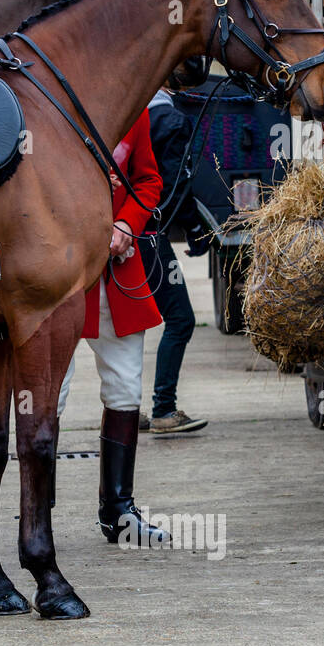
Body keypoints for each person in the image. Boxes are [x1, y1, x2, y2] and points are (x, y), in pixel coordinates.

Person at [56, 109, 170, 546]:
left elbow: (148, 180)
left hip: (119, 272)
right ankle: (36, 514)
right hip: (62, 273)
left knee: (125, 389)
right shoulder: (48, 99)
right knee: (50, 395)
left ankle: (119, 513)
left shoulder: (134, 108)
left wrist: (126, 224)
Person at [140, 88, 211, 434]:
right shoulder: (166, 119)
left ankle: (121, 409)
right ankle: (163, 410)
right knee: (181, 319)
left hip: (114, 232)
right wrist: (196, 227)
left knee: (122, 328)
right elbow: (173, 183)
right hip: (146, 235)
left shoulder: (126, 110)